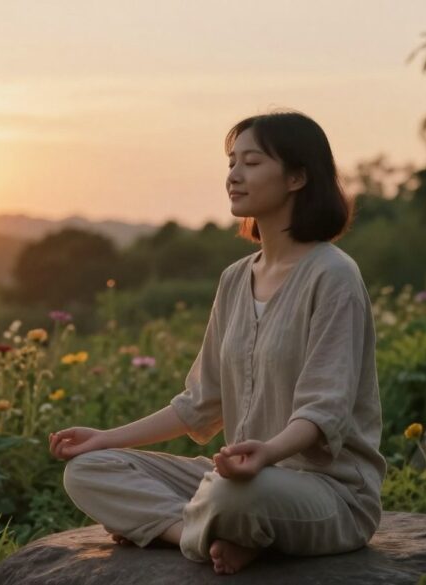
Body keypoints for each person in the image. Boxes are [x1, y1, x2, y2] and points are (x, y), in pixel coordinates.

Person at [47, 109, 387, 576]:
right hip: (236, 478)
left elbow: (323, 410)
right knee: (88, 471)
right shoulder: (234, 280)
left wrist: (265, 455)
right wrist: (105, 439)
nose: (234, 175)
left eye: (251, 162)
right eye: (231, 162)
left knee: (232, 495)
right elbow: (200, 403)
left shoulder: (334, 276)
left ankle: (209, 526)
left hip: (326, 493)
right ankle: (203, 535)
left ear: (296, 177)